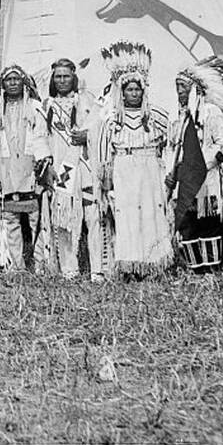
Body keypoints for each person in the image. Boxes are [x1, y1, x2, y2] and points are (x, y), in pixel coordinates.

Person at [96, 42, 171, 278]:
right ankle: (130, 265)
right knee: (126, 215)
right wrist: (106, 180)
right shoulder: (112, 120)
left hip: (149, 168)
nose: (134, 93)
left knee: (151, 213)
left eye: (137, 89)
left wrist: (166, 170)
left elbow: (171, 144)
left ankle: (153, 263)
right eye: (129, 89)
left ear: (143, 90)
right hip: (123, 168)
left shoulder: (156, 116)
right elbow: (104, 153)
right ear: (121, 91)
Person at [165, 56, 223, 274]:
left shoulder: (211, 112)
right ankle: (196, 269)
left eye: (183, 87)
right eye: (177, 87)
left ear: (195, 89)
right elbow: (171, 146)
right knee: (188, 222)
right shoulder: (177, 116)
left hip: (207, 179)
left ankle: (214, 267)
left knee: (208, 220)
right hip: (185, 178)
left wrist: (202, 163)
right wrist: (171, 170)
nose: (179, 92)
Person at [40, 58, 108, 280]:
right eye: (57, 76)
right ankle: (69, 269)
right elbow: (40, 138)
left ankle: (98, 269)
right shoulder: (46, 105)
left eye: (66, 76)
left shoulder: (89, 101)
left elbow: (104, 128)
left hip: (86, 166)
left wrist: (88, 135)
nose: (62, 80)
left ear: (74, 77)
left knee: (93, 215)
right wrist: (47, 164)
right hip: (62, 169)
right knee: (63, 218)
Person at [0, 63, 52, 272]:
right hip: (6, 173)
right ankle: (16, 266)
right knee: (10, 220)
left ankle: (42, 264)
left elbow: (42, 137)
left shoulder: (34, 107)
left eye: (16, 79)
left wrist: (42, 167)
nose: (13, 83)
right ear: (3, 84)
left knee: (38, 220)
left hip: (31, 170)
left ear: (23, 82)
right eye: (8, 80)